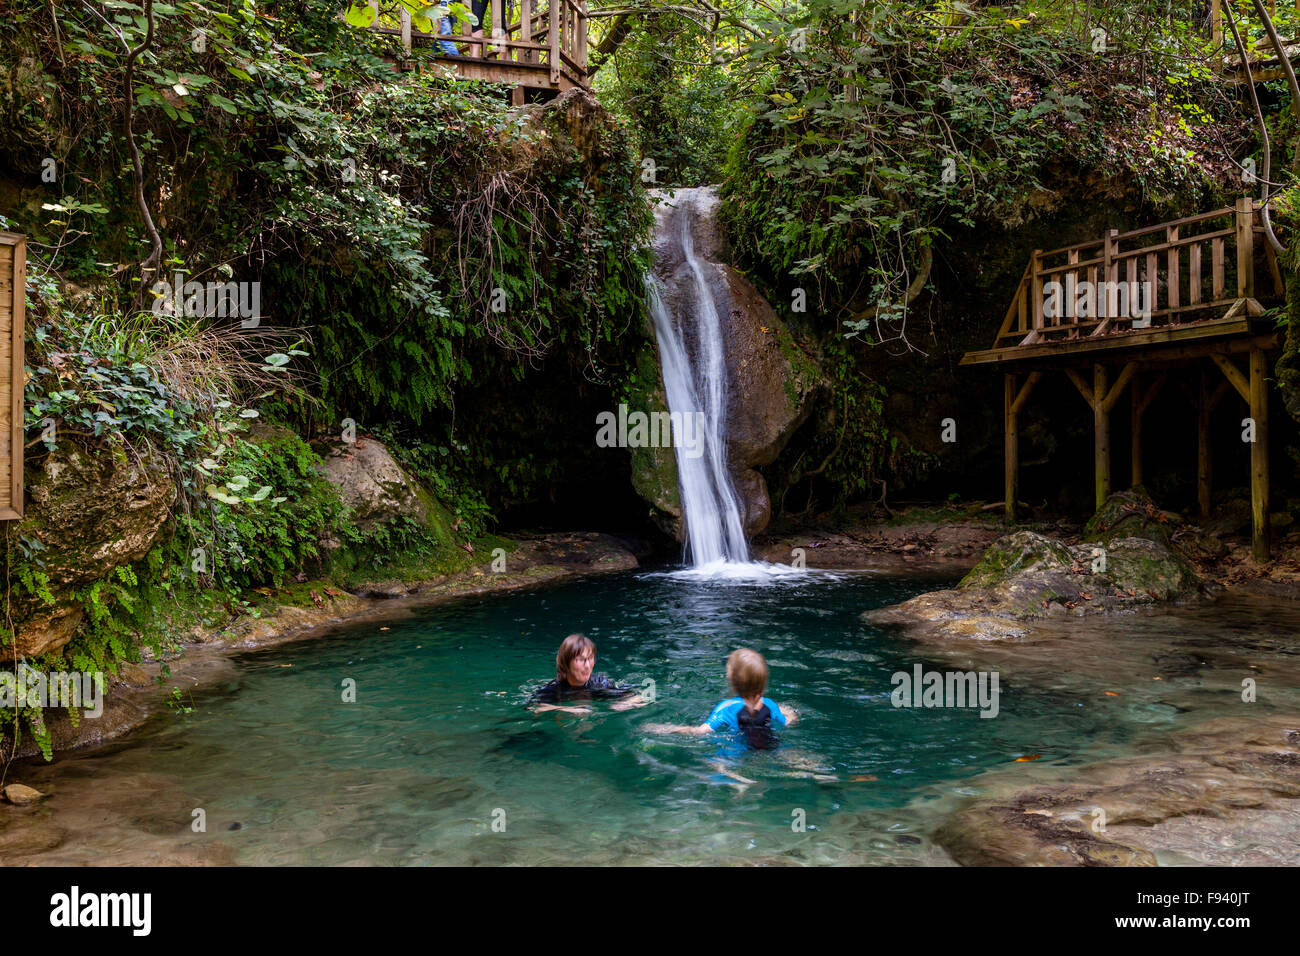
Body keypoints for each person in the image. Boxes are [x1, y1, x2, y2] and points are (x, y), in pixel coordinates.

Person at [647, 648, 798, 748]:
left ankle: (740, 782)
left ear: (733, 681)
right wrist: (789, 712)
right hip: (772, 745)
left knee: (717, 764)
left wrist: (667, 729)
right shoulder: (770, 705)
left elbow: (699, 732)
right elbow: (789, 722)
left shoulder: (726, 708)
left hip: (741, 750)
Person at [530, 633, 649, 715]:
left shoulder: (599, 684)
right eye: (581, 660)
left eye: (591, 658)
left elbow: (638, 698)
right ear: (566, 663)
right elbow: (533, 709)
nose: (588, 665)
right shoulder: (554, 689)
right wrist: (568, 709)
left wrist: (623, 705)